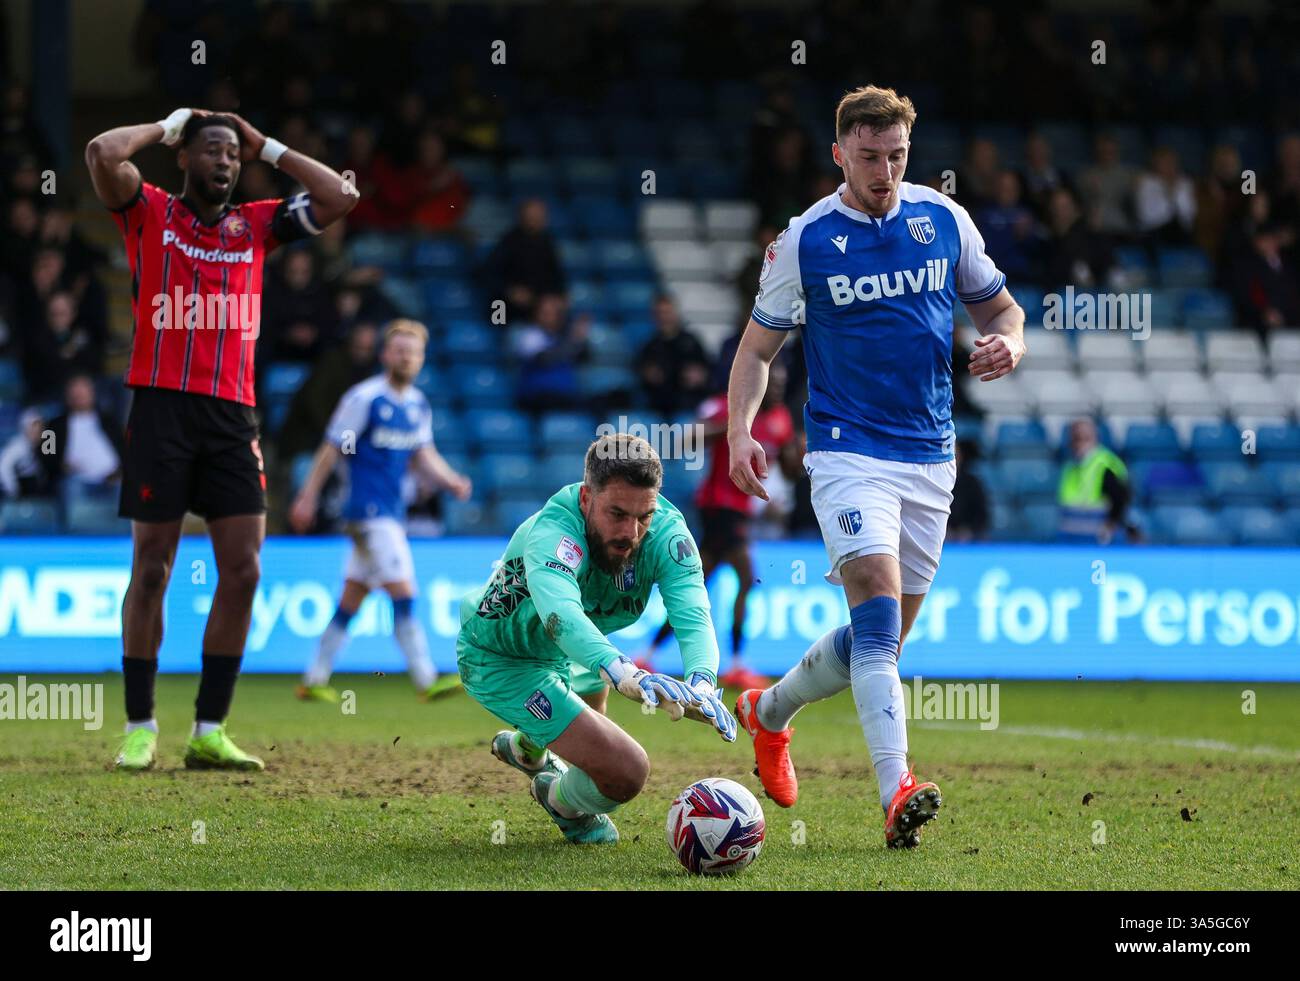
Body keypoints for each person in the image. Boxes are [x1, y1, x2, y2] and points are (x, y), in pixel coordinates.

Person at [726, 85, 1025, 848]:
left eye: (896, 155)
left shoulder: (942, 220)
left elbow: (1002, 310)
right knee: (875, 604)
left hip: (931, 454)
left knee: (879, 639)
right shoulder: (806, 240)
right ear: (839, 154)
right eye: (869, 156)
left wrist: (1009, 344)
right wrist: (740, 430)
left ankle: (768, 713)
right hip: (846, 449)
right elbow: (758, 349)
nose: (884, 169)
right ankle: (897, 789)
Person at [85, 107, 359, 771]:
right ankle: (141, 723)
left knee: (244, 568)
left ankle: (209, 727)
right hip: (161, 411)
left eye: (234, 154)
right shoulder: (148, 212)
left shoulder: (257, 224)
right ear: (185, 157)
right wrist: (161, 125)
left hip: (233, 419)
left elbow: (341, 196)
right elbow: (100, 150)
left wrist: (272, 145)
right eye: (213, 149)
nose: (226, 162)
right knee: (152, 567)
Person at [457, 433, 736, 844]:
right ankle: (559, 800)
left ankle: (525, 750)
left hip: (570, 654)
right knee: (625, 771)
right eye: (617, 514)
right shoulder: (554, 533)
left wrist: (703, 681)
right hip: (501, 659)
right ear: (586, 499)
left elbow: (693, 612)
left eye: (644, 516)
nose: (631, 532)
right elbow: (561, 616)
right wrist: (622, 671)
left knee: (590, 720)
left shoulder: (666, 535)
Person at [289, 320, 471, 701]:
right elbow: (331, 447)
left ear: (421, 359)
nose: (406, 358)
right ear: (385, 355)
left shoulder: (418, 405)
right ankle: (425, 678)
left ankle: (313, 679)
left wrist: (450, 480)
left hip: (391, 513)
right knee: (404, 592)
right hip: (367, 511)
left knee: (350, 599)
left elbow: (423, 453)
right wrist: (308, 496)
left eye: (413, 352)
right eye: (399, 350)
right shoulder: (365, 398)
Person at [635, 359, 798, 692]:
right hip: (718, 505)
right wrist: (728, 427)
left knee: (699, 583)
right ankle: (736, 664)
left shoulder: (781, 420)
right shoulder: (730, 409)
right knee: (744, 575)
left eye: (783, 383)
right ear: (760, 382)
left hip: (740, 511)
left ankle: (649, 654)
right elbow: (684, 438)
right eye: (773, 382)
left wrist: (799, 456)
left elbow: (791, 469)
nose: (778, 389)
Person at [1058, 418, 1136, 544]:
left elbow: (1121, 498)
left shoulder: (1106, 464)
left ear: (1095, 438)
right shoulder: (1070, 467)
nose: (1080, 443)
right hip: (1072, 538)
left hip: (1099, 539)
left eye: (1086, 438)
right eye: (1076, 438)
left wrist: (1110, 526)